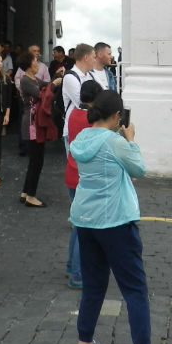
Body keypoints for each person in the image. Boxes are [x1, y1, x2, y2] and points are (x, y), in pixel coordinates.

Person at [69, 90, 172, 344]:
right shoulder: (115, 141)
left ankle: (84, 341)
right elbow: (138, 168)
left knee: (93, 284)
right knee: (134, 288)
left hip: (85, 218)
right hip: (115, 219)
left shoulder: (80, 139)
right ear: (118, 116)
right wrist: (131, 140)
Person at [64, 79, 100, 290]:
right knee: (84, 229)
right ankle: (77, 275)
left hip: (72, 173)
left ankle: (71, 266)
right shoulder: (91, 119)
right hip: (84, 177)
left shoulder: (74, 114)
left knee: (78, 226)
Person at [17, 50, 55, 208]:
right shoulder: (26, 80)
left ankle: (26, 192)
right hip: (32, 124)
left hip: (33, 122)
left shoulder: (32, 78)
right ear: (28, 64)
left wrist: (56, 81)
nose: (37, 63)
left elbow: (45, 85)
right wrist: (54, 84)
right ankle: (31, 195)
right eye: (35, 61)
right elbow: (41, 93)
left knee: (34, 160)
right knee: (37, 160)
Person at [61, 44, 94, 135]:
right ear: (86, 57)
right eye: (94, 57)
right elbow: (82, 103)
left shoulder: (91, 75)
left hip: (89, 128)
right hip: (73, 130)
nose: (95, 61)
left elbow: (103, 94)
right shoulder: (70, 77)